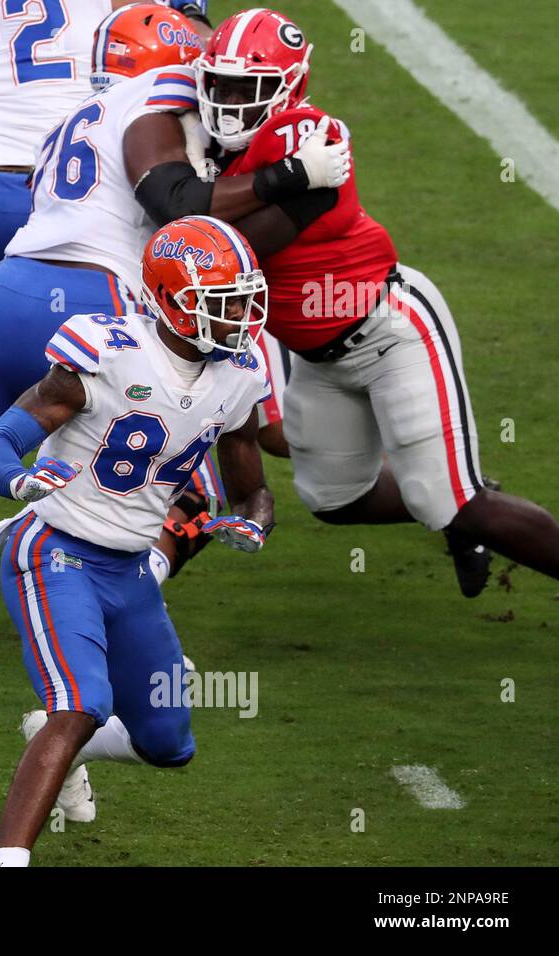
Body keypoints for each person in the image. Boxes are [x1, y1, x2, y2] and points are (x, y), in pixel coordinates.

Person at [0, 2, 344, 664]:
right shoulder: (160, 103)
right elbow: (179, 212)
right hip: (97, 309)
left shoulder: (74, 118)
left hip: (3, 295)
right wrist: (292, 178)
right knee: (179, 482)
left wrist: (298, 194)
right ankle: (126, 620)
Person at [0, 216, 275, 866]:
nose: (241, 314)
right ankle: (7, 859)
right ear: (175, 302)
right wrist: (20, 482)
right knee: (80, 701)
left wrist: (251, 524)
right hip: (53, 550)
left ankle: (62, 744)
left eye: (244, 297)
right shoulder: (107, 352)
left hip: (130, 572)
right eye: (224, 301)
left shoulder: (239, 374)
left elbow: (250, 487)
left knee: (168, 743)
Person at [196, 8, 559, 595]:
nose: (232, 101)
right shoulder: (208, 144)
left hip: (389, 328)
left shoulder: (307, 136)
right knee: (335, 498)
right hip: (317, 356)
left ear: (287, 87)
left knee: (450, 499)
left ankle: (465, 509)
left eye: (249, 87)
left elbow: (228, 241)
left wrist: (209, 198)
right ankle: (463, 502)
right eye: (222, 85)